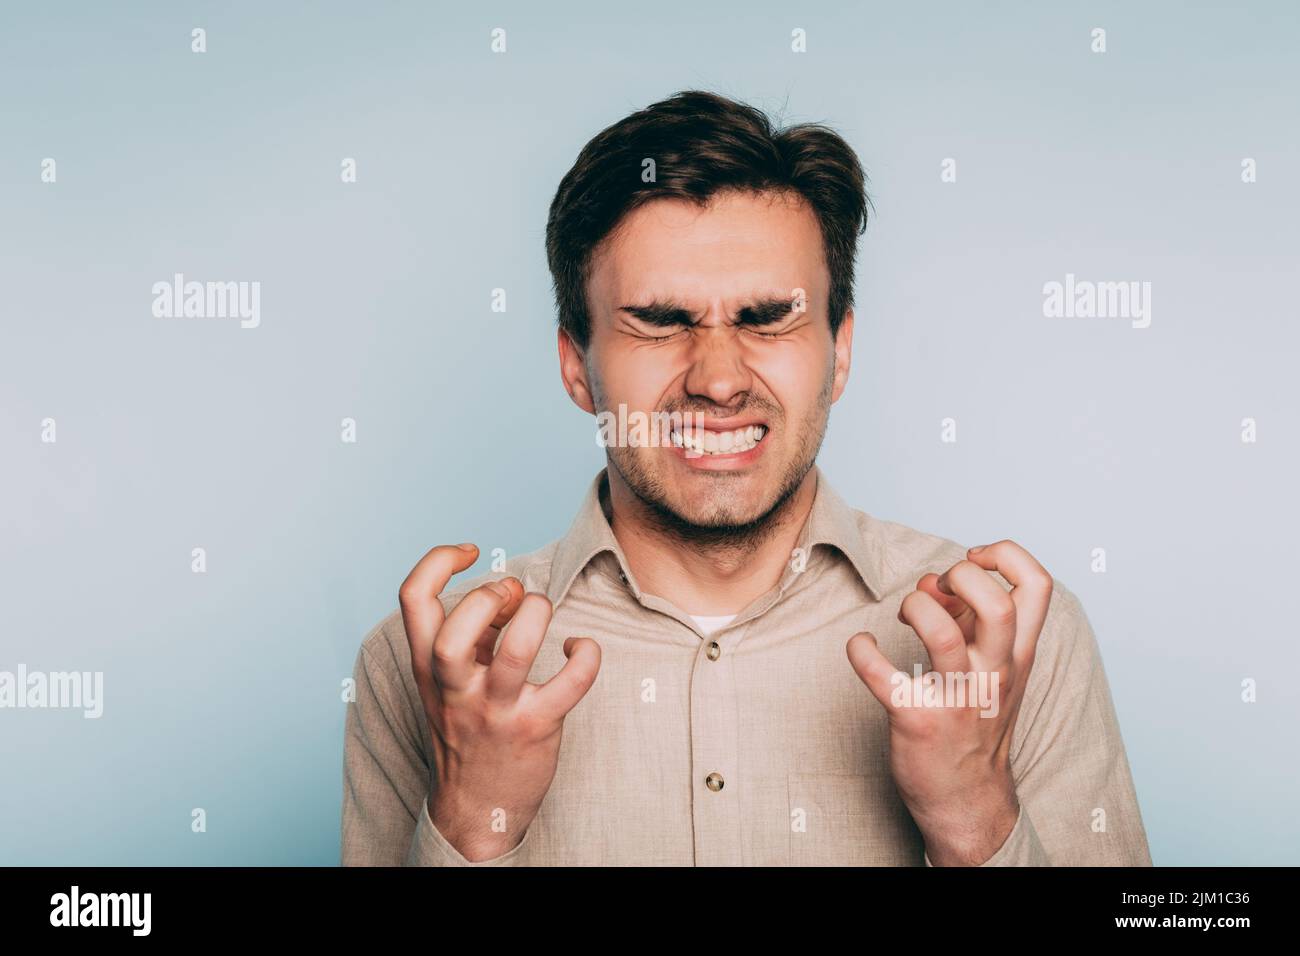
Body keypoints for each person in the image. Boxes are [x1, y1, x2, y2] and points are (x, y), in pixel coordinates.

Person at [341, 90, 1152, 866]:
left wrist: (974, 817)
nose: (721, 381)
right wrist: (473, 822)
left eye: (768, 319)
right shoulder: (428, 665)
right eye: (660, 322)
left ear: (839, 352)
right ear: (576, 366)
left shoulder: (1009, 644)